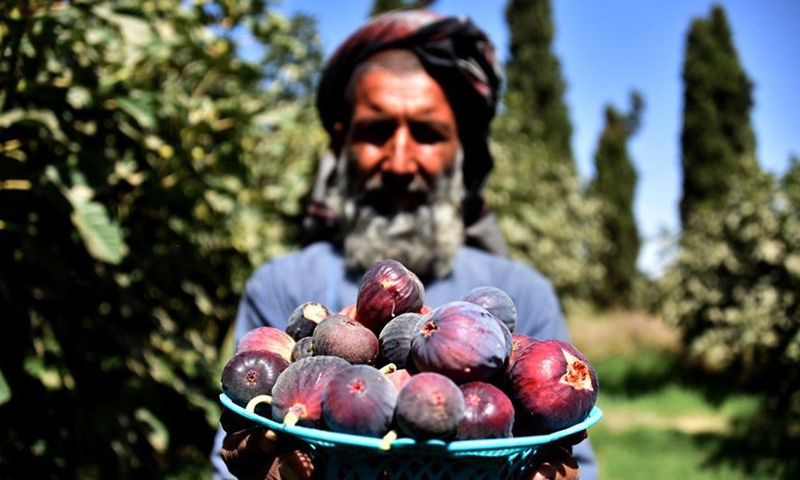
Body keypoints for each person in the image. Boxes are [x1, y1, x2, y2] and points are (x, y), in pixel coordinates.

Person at [212, 9, 598, 480]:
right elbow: (228, 452)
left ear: (461, 149)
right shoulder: (281, 285)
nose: (399, 160)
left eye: (427, 133)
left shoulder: (523, 294)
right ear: (340, 143)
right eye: (376, 131)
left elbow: (574, 460)